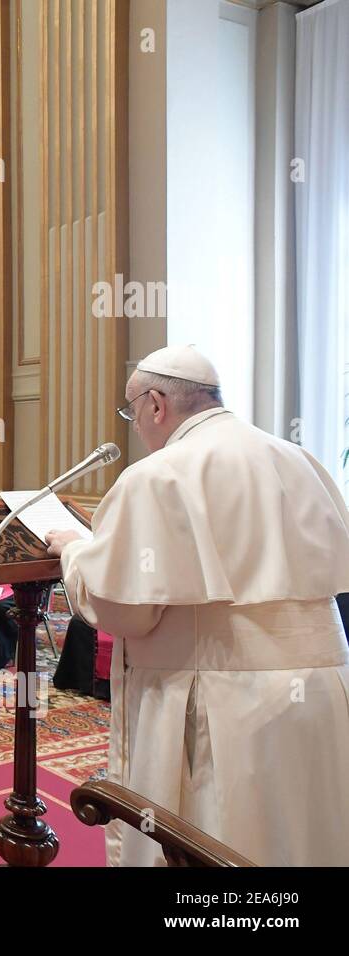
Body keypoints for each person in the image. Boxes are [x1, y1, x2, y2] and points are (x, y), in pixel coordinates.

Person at [45, 344, 349, 867]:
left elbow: (125, 611)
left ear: (156, 404)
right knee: (307, 833)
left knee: (223, 840)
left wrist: (73, 550)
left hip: (224, 699)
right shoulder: (299, 459)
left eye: (132, 411)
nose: (135, 425)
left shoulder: (157, 475)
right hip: (322, 690)